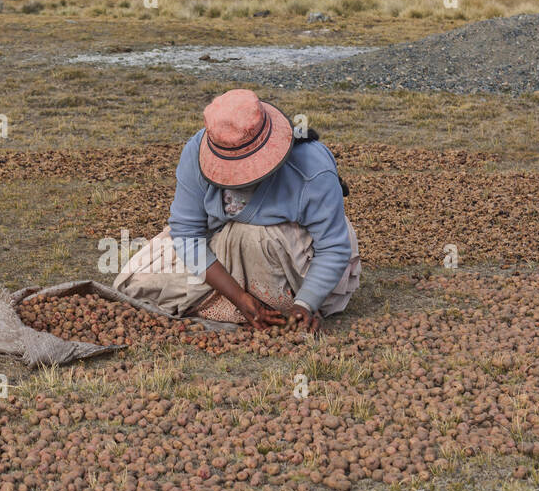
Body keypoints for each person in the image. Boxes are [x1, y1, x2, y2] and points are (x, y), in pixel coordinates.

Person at [114, 88, 360, 333]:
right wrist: (238, 298)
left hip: (292, 252)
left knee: (251, 237)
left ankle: (286, 301)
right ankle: (243, 299)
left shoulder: (312, 169)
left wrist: (306, 303)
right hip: (219, 242)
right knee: (137, 283)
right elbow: (188, 234)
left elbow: (332, 247)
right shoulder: (196, 151)